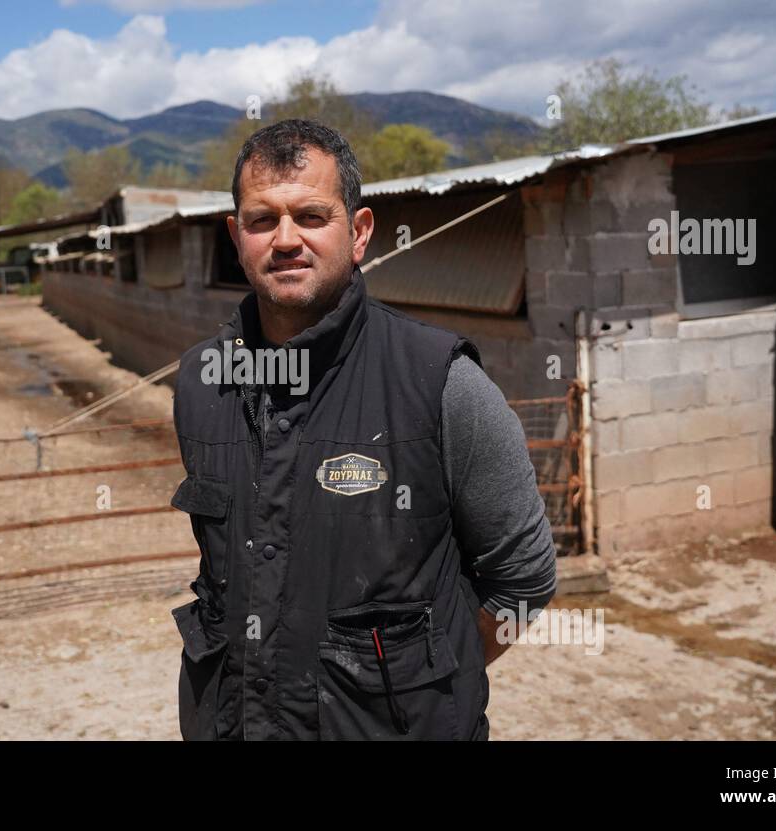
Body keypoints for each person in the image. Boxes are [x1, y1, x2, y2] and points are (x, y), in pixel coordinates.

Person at [170, 118, 557, 741]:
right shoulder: (201, 383)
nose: (286, 239)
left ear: (358, 233)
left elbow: (524, 581)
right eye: (262, 219)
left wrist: (423, 680)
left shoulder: (441, 384)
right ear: (235, 236)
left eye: (312, 216)